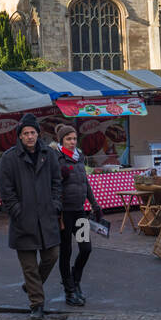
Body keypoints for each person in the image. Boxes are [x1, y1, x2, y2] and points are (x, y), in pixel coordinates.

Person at [0, 114, 62, 320]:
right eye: (25, 133)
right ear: (20, 136)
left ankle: (30, 286)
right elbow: (5, 190)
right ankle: (37, 304)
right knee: (29, 266)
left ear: (38, 134)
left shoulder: (49, 155)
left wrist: (55, 204)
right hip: (23, 220)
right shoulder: (9, 158)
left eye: (33, 132)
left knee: (52, 255)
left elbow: (56, 182)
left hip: (46, 217)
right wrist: (16, 210)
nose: (29, 136)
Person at [57, 125, 102, 306]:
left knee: (86, 248)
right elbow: (53, 185)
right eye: (68, 139)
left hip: (79, 211)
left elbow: (85, 183)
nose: (72, 142)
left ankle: (75, 280)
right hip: (63, 214)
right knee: (65, 251)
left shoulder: (79, 157)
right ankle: (69, 291)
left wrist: (95, 204)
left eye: (74, 138)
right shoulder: (57, 158)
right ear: (62, 141)